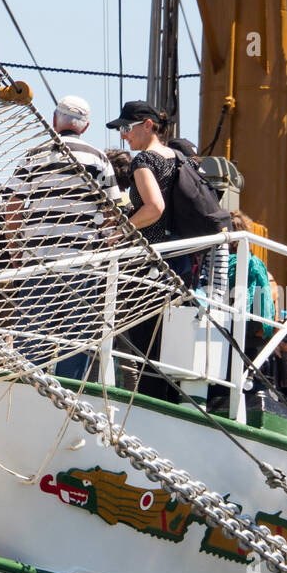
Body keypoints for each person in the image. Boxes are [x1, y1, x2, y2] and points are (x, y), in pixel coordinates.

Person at [4, 95, 120, 381]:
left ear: (55, 120)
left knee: (31, 339)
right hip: (82, 264)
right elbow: (111, 213)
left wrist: (15, 249)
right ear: (86, 126)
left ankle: (30, 391)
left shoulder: (34, 155)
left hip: (38, 263)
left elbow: (12, 207)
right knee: (75, 343)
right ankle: (69, 397)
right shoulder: (99, 159)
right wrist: (106, 244)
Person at [104, 100, 181, 398]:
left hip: (146, 263)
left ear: (148, 125)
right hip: (174, 261)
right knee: (164, 344)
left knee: (141, 339)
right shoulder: (178, 157)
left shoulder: (144, 160)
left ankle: (145, 402)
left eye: (126, 127)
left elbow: (153, 207)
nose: (124, 136)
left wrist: (120, 232)